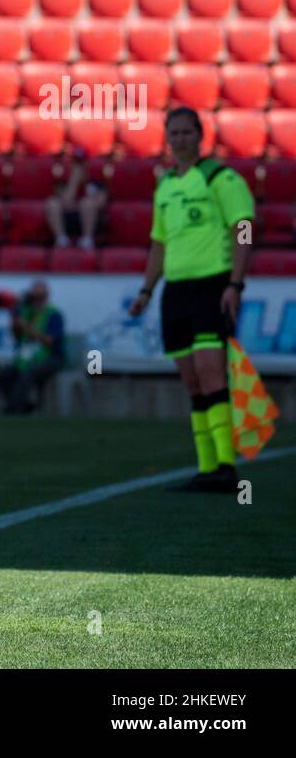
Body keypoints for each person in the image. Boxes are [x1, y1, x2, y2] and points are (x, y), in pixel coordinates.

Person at [129, 106, 254, 493]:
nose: (180, 139)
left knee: (212, 373)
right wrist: (147, 291)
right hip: (176, 293)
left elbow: (244, 228)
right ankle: (206, 467)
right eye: (174, 133)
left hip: (212, 287)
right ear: (167, 138)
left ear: (201, 136)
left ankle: (226, 466)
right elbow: (158, 243)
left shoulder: (221, 178)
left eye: (186, 132)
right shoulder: (165, 186)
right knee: (192, 382)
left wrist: (235, 283)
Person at [0, 281, 66, 414]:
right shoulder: (25, 312)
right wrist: (14, 323)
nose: (34, 295)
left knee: (28, 372)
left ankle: (13, 410)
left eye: (38, 291)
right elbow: (17, 337)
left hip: (51, 357)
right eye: (33, 291)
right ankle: (24, 406)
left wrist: (27, 328)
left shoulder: (54, 314)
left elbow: (50, 341)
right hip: (27, 357)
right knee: (3, 375)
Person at [45, 147, 107, 250]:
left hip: (90, 221)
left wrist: (86, 200)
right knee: (52, 203)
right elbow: (66, 201)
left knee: (87, 204)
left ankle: (87, 240)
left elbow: (101, 203)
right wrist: (74, 180)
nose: (78, 166)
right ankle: (61, 240)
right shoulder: (64, 182)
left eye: (80, 163)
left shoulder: (96, 182)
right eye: (75, 163)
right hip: (68, 218)